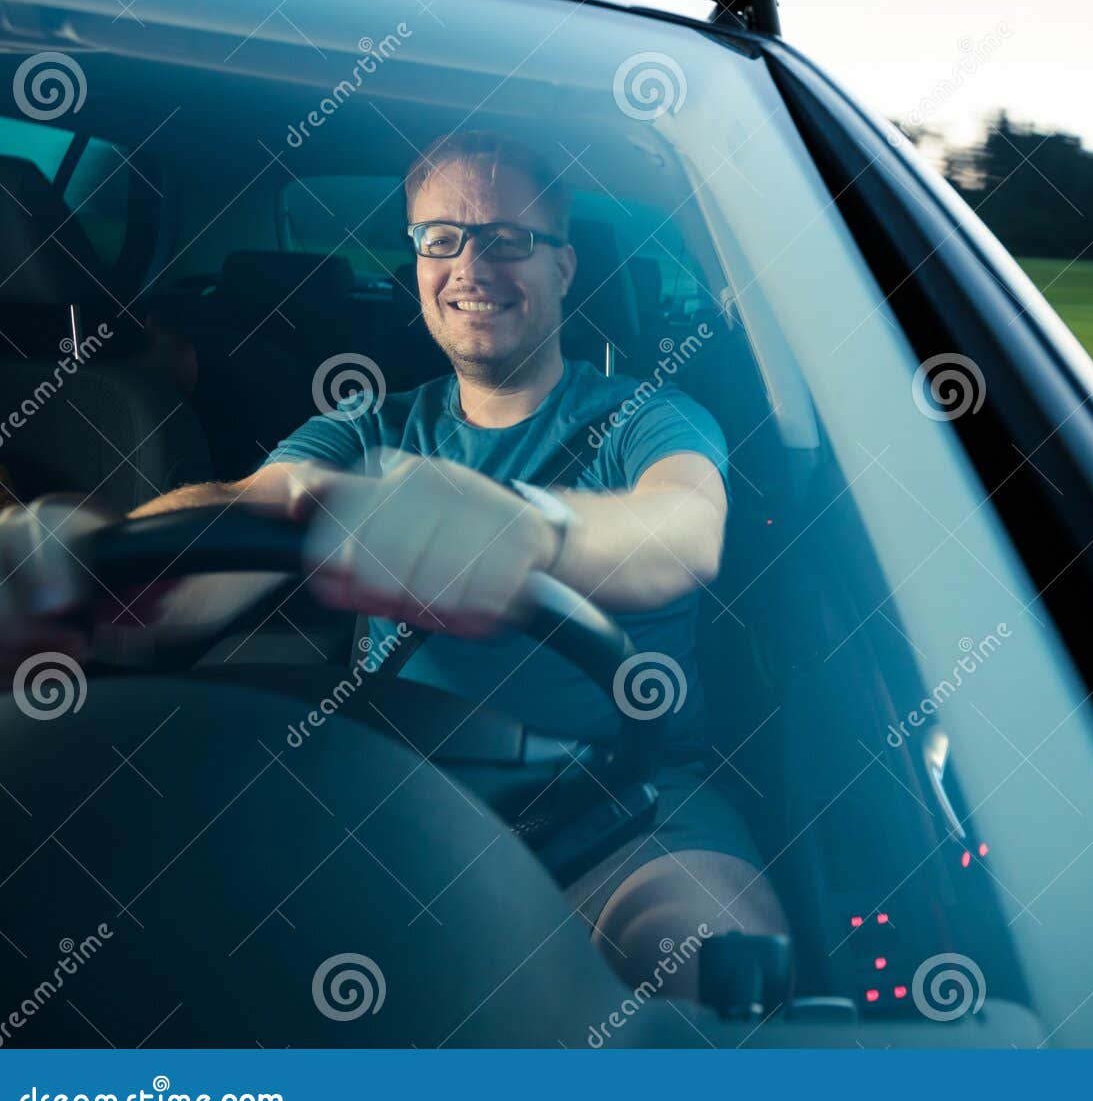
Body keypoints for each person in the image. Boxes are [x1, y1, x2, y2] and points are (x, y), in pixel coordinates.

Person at [0, 130, 784, 996]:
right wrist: (90, 569)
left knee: (701, 955)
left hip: (624, 804)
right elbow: (250, 509)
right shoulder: (370, 427)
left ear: (562, 266)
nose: (470, 267)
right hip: (397, 794)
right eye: (441, 238)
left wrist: (533, 530)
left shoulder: (648, 415)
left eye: (507, 238)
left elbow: (682, 526)